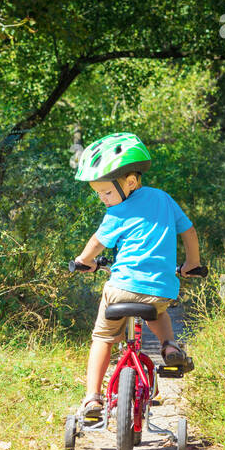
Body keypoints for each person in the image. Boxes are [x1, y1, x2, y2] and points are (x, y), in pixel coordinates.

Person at [70, 133, 201, 421]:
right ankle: (169, 347)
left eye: (106, 192)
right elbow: (189, 232)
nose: (104, 199)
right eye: (99, 194)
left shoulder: (119, 211)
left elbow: (96, 243)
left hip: (121, 289)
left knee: (103, 337)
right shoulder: (164, 200)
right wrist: (192, 264)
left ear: (130, 182)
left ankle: (93, 397)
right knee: (157, 312)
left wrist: (83, 261)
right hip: (161, 290)